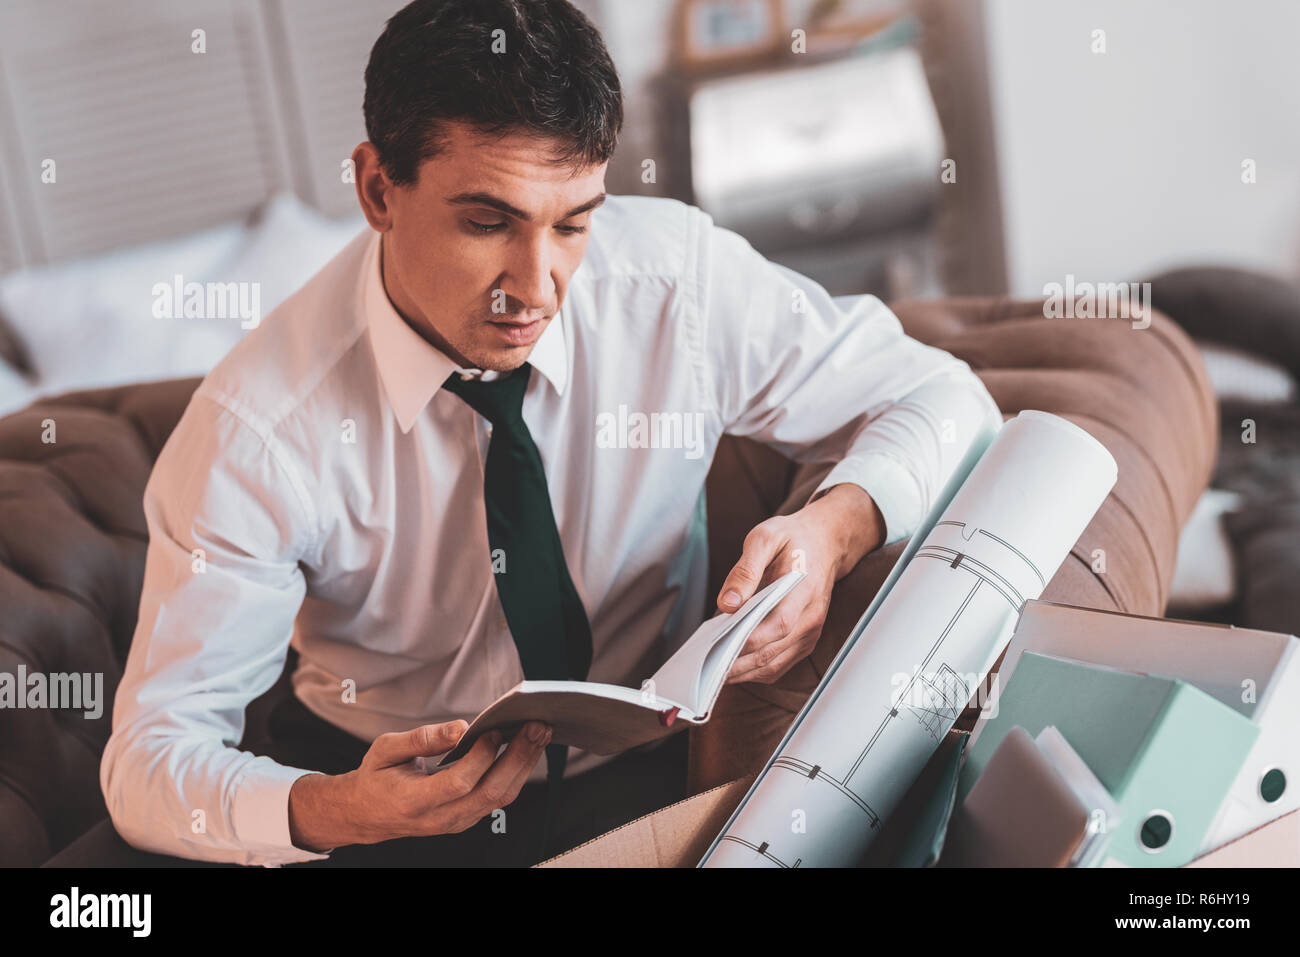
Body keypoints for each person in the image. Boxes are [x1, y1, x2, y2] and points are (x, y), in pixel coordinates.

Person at [63, 0, 997, 867]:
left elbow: (944, 397)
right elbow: (150, 761)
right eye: (486, 222)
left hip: (646, 764)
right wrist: (341, 810)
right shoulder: (256, 430)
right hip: (379, 795)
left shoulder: (675, 284)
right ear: (377, 188)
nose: (538, 286)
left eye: (573, 223)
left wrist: (834, 531)